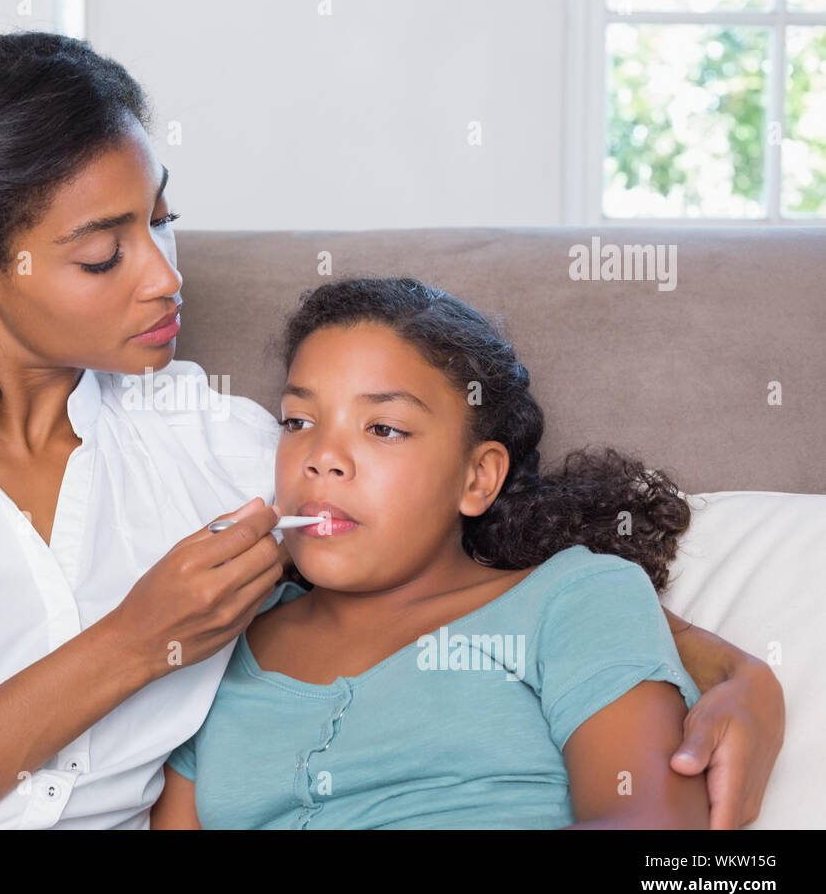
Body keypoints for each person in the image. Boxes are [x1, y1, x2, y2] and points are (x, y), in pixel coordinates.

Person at [0, 33, 783, 830]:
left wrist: (741, 676)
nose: (166, 277)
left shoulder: (203, 440)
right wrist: (132, 643)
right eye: (101, 251)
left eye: (160, 218)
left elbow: (457, 552)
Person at [152, 278, 719, 828]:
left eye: (384, 428)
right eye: (298, 421)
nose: (322, 457)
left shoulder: (576, 598)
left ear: (477, 477)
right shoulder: (224, 633)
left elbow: (655, 824)